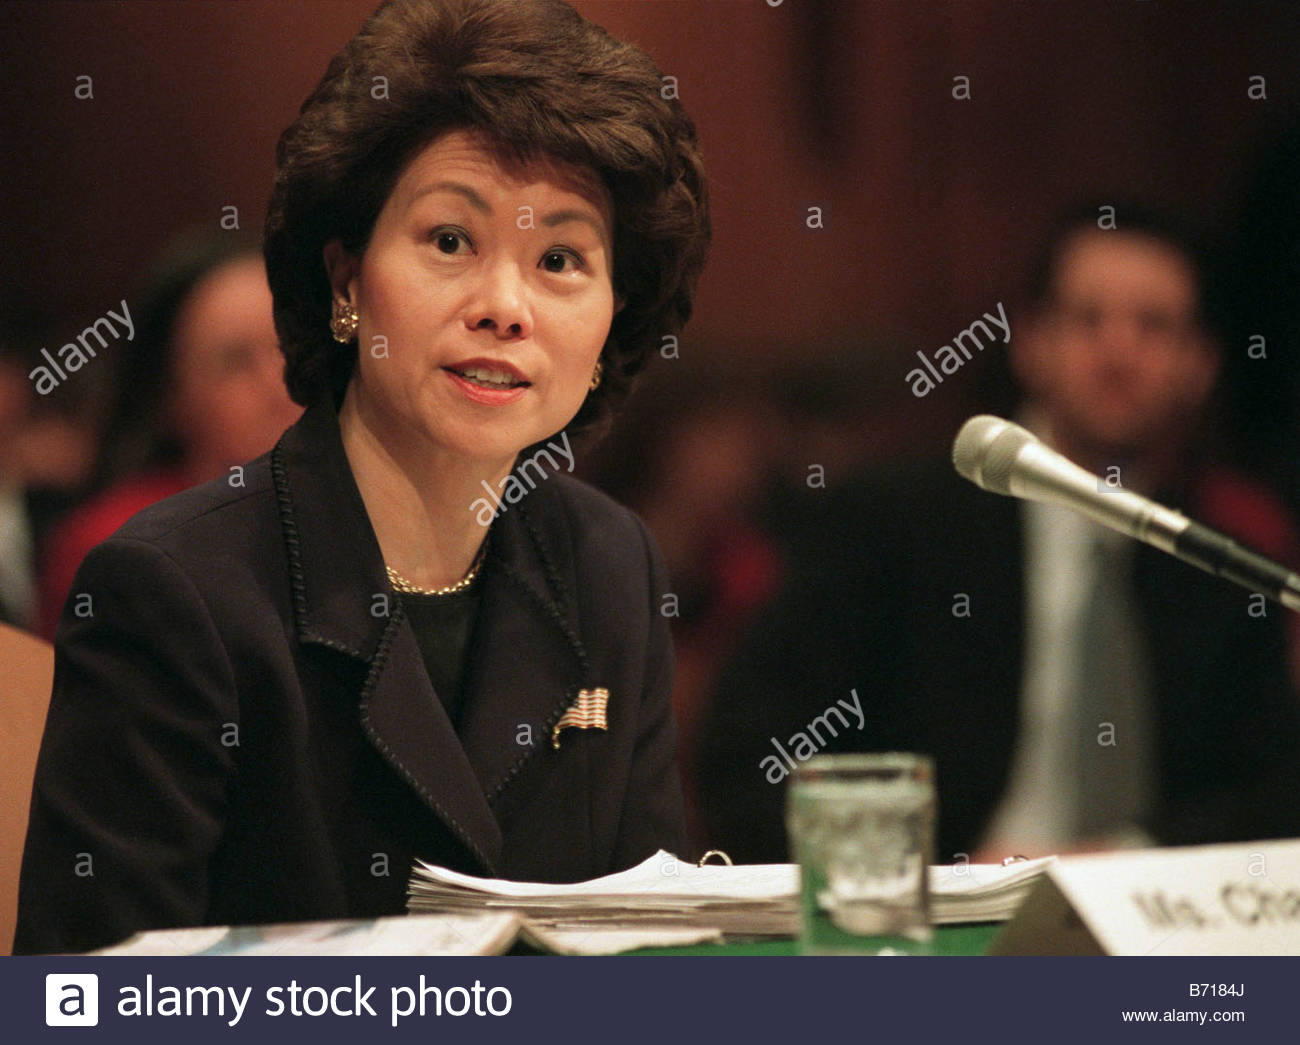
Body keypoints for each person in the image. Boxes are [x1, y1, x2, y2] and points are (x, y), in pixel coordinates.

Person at [16, 0, 710, 954]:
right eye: (451, 241)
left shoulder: (608, 563)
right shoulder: (174, 592)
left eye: (559, 258)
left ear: (609, 322)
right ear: (347, 281)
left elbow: (651, 956)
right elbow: (84, 1000)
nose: (505, 306)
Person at [697, 202, 1300, 865]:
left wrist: (1124, 857)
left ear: (1200, 363)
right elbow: (750, 750)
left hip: (1144, 919)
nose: (1119, 350)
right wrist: (917, 870)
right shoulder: (892, 521)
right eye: (1088, 318)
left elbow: (1269, 794)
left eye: (1153, 326)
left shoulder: (1221, 562)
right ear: (1031, 342)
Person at [35, 236, 303, 640]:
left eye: (290, 347)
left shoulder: (373, 507)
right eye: (234, 363)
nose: (280, 384)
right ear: (169, 399)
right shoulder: (116, 545)